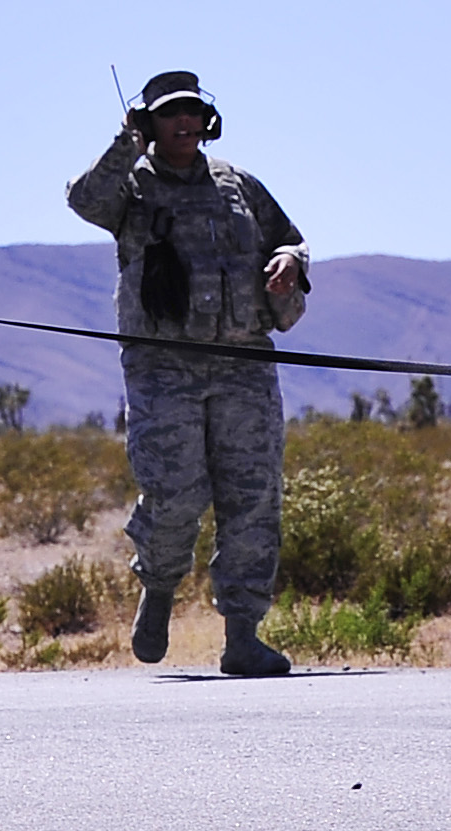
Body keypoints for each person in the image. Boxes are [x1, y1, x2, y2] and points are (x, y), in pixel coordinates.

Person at [67, 71, 308, 676]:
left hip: (244, 365)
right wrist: (126, 142)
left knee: (253, 499)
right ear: (149, 122)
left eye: (192, 113)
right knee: (174, 494)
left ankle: (243, 635)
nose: (184, 123)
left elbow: (292, 239)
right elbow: (84, 200)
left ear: (207, 120)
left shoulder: (238, 185)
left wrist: (287, 261)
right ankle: (159, 588)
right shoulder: (132, 186)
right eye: (169, 114)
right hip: (163, 367)